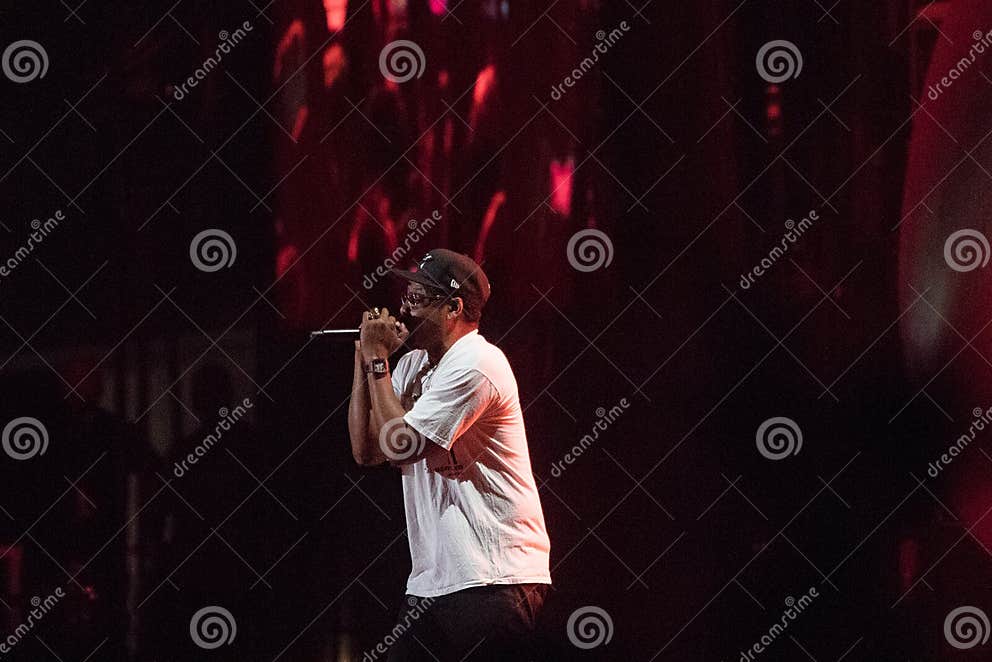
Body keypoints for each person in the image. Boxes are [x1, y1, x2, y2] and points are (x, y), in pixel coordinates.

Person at [347, 249, 552, 661]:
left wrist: (377, 361)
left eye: (418, 298)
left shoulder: (477, 362)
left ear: (453, 308)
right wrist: (363, 360)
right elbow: (367, 451)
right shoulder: (412, 366)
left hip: (493, 578)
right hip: (432, 582)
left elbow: (399, 442)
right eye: (406, 295)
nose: (404, 306)